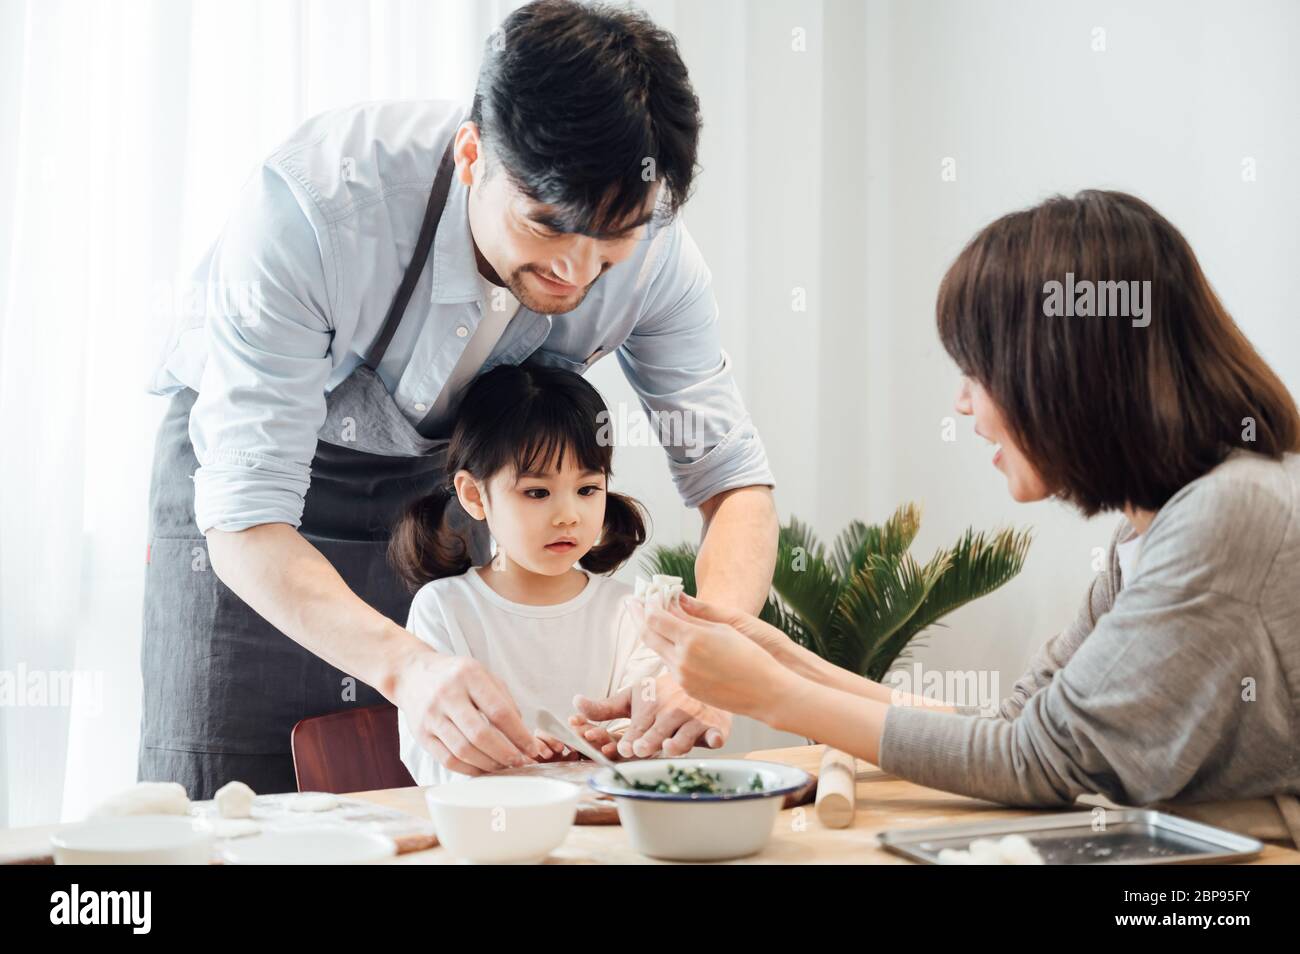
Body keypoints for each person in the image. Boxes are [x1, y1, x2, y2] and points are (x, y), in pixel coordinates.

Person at [140, 0, 777, 799]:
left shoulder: (658, 258)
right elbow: (242, 515)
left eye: (609, 245)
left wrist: (703, 665)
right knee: (223, 802)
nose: (575, 275)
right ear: (472, 152)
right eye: (547, 227)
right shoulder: (316, 205)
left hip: (453, 493)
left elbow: (735, 483)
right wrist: (406, 666)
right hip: (251, 522)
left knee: (464, 795)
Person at [629, 190, 1300, 839]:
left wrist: (773, 694)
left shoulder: (1227, 516)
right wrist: (788, 662)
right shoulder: (1157, 527)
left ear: (1061, 371)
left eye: (976, 372)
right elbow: (1016, 723)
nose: (962, 405)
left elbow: (1040, 758)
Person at [390, 363, 665, 785]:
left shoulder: (631, 613)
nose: (568, 516)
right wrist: (510, 759)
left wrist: (608, 750)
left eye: (588, 489)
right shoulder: (444, 608)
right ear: (473, 495)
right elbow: (429, 757)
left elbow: (647, 750)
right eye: (537, 492)